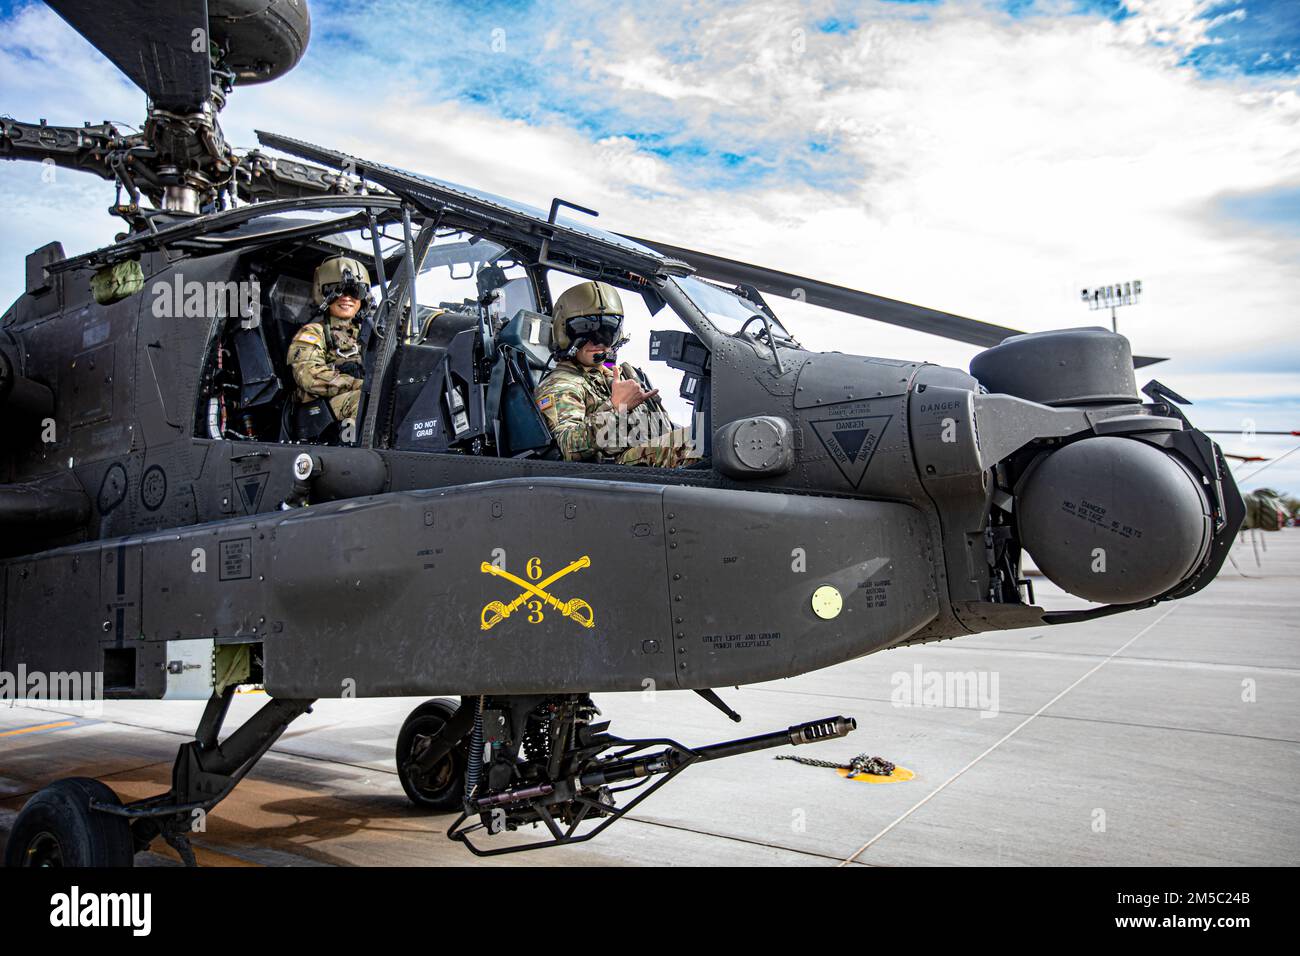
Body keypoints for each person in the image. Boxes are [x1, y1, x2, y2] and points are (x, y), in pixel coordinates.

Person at [533, 280, 698, 466]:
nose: (600, 342)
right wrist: (616, 406)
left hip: (645, 456)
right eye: (586, 330)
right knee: (699, 443)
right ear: (565, 333)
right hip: (613, 472)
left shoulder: (619, 375)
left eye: (608, 331)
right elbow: (569, 446)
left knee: (710, 436)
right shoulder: (560, 385)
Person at [286, 255, 372, 430]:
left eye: (355, 291)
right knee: (369, 403)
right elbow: (309, 376)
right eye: (337, 290)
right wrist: (359, 385)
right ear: (322, 293)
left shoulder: (371, 331)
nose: (346, 297)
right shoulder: (313, 332)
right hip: (320, 409)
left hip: (358, 395)